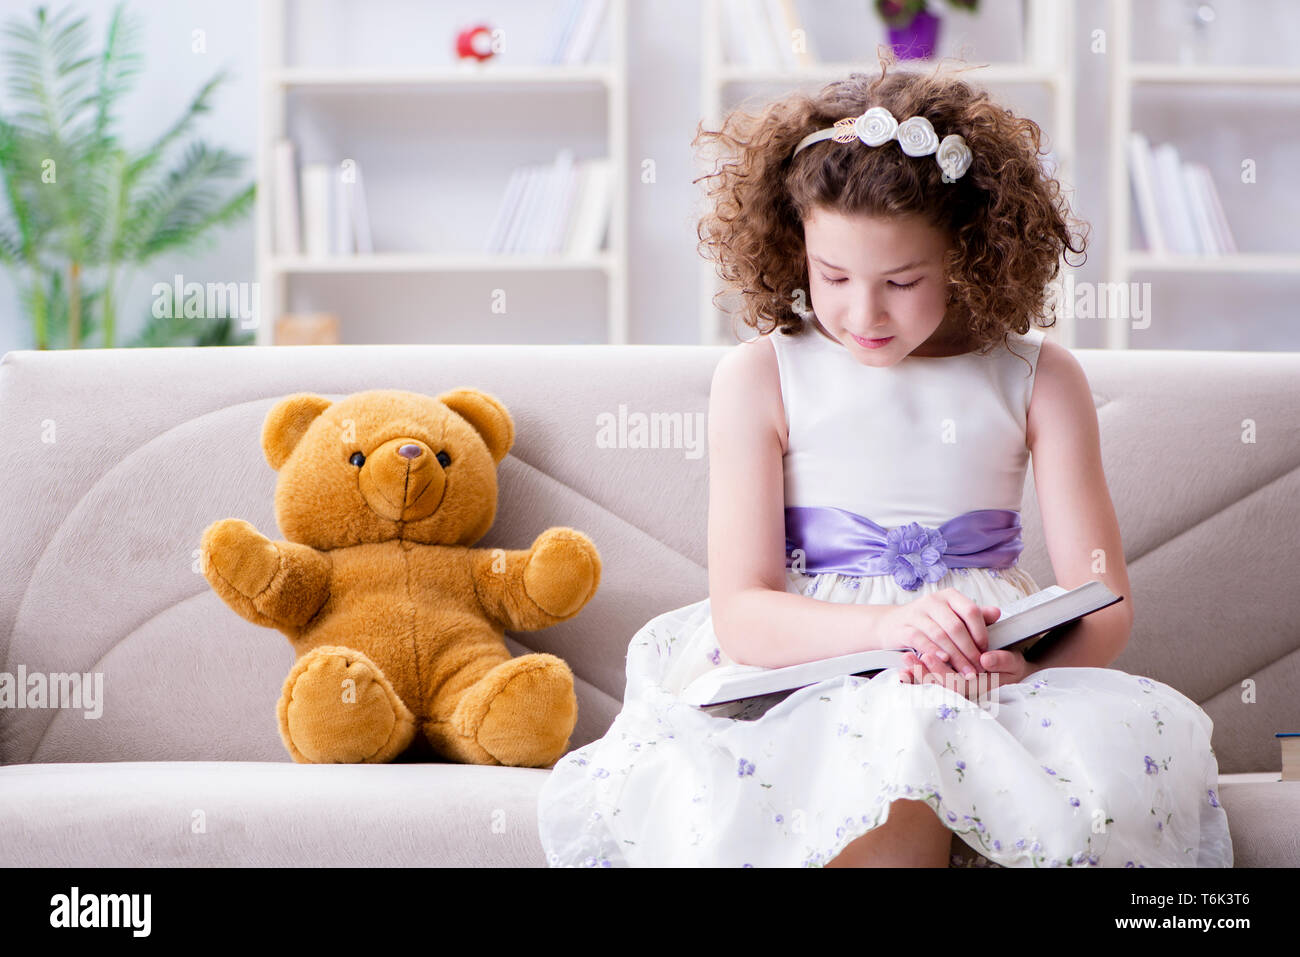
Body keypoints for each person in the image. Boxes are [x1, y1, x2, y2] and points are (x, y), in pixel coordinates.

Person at [535, 56, 1233, 868]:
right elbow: (744, 611)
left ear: (970, 254)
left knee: (996, 766)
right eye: (832, 275)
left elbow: (1104, 601)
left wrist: (1018, 664)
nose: (861, 312)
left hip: (984, 676)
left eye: (902, 280)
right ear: (795, 248)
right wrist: (890, 629)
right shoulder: (763, 376)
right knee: (870, 754)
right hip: (812, 663)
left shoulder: (1040, 377)